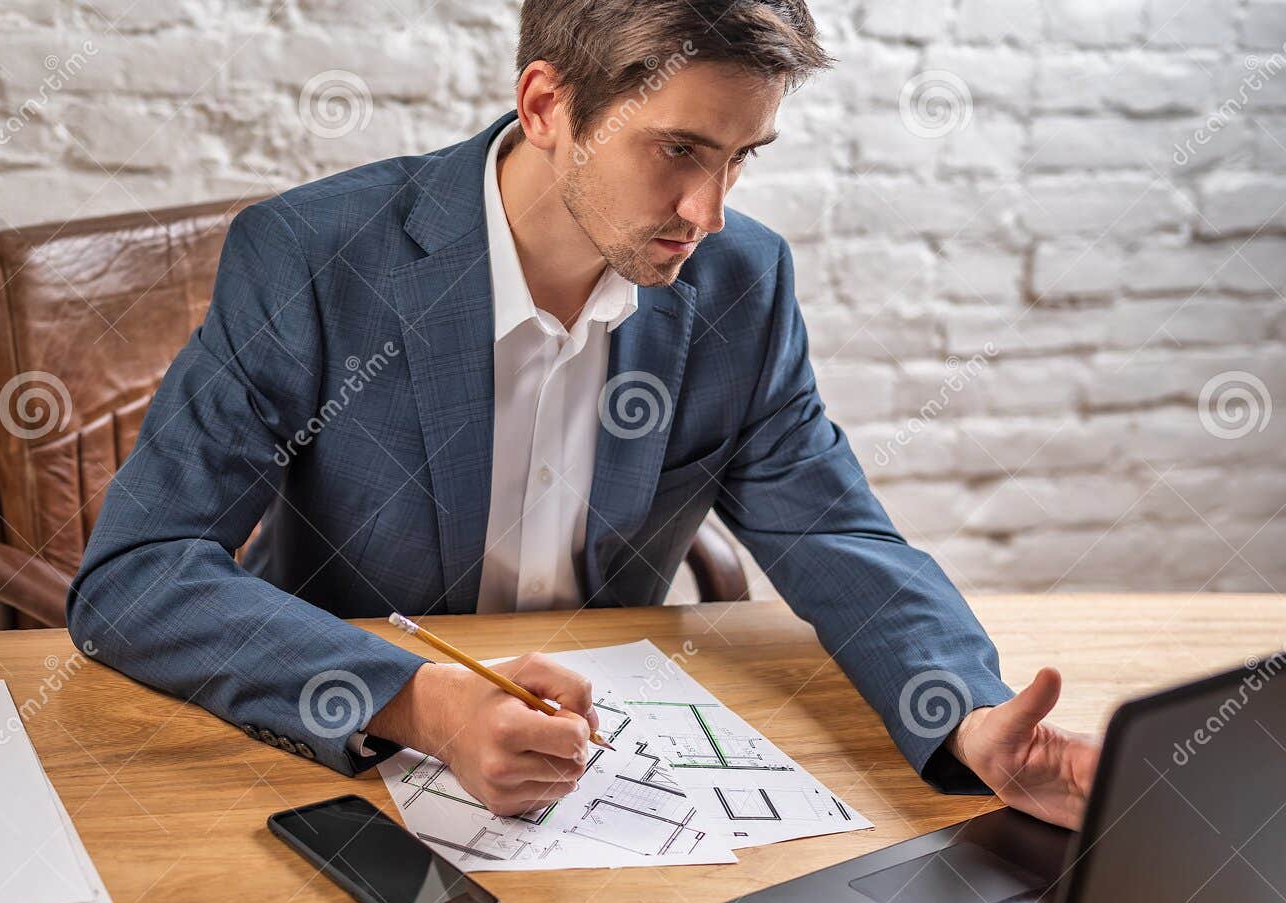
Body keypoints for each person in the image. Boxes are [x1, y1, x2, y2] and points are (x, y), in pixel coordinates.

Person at [68, 0, 1099, 829]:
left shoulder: (741, 281)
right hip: (336, 767)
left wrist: (964, 715)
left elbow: (831, 529)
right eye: (680, 151)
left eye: (743, 157)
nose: (711, 212)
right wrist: (417, 701)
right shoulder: (312, 256)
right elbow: (136, 575)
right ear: (545, 104)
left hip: (606, 775)